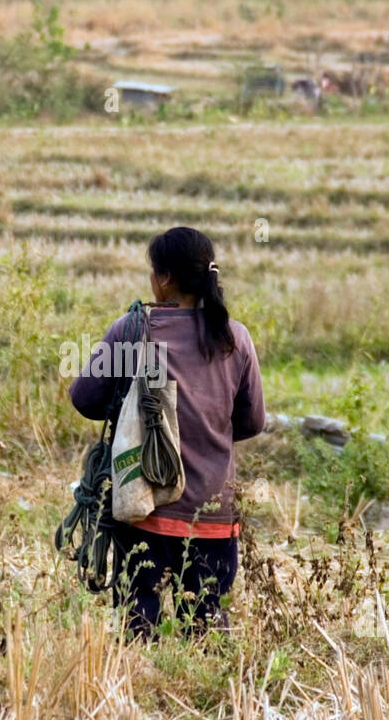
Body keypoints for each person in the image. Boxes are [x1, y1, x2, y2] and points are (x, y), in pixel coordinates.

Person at [69, 227, 265, 640]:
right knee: (208, 632)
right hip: (212, 516)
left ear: (163, 278)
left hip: (145, 510)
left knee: (138, 632)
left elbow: (85, 398)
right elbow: (251, 422)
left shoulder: (132, 330)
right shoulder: (236, 338)